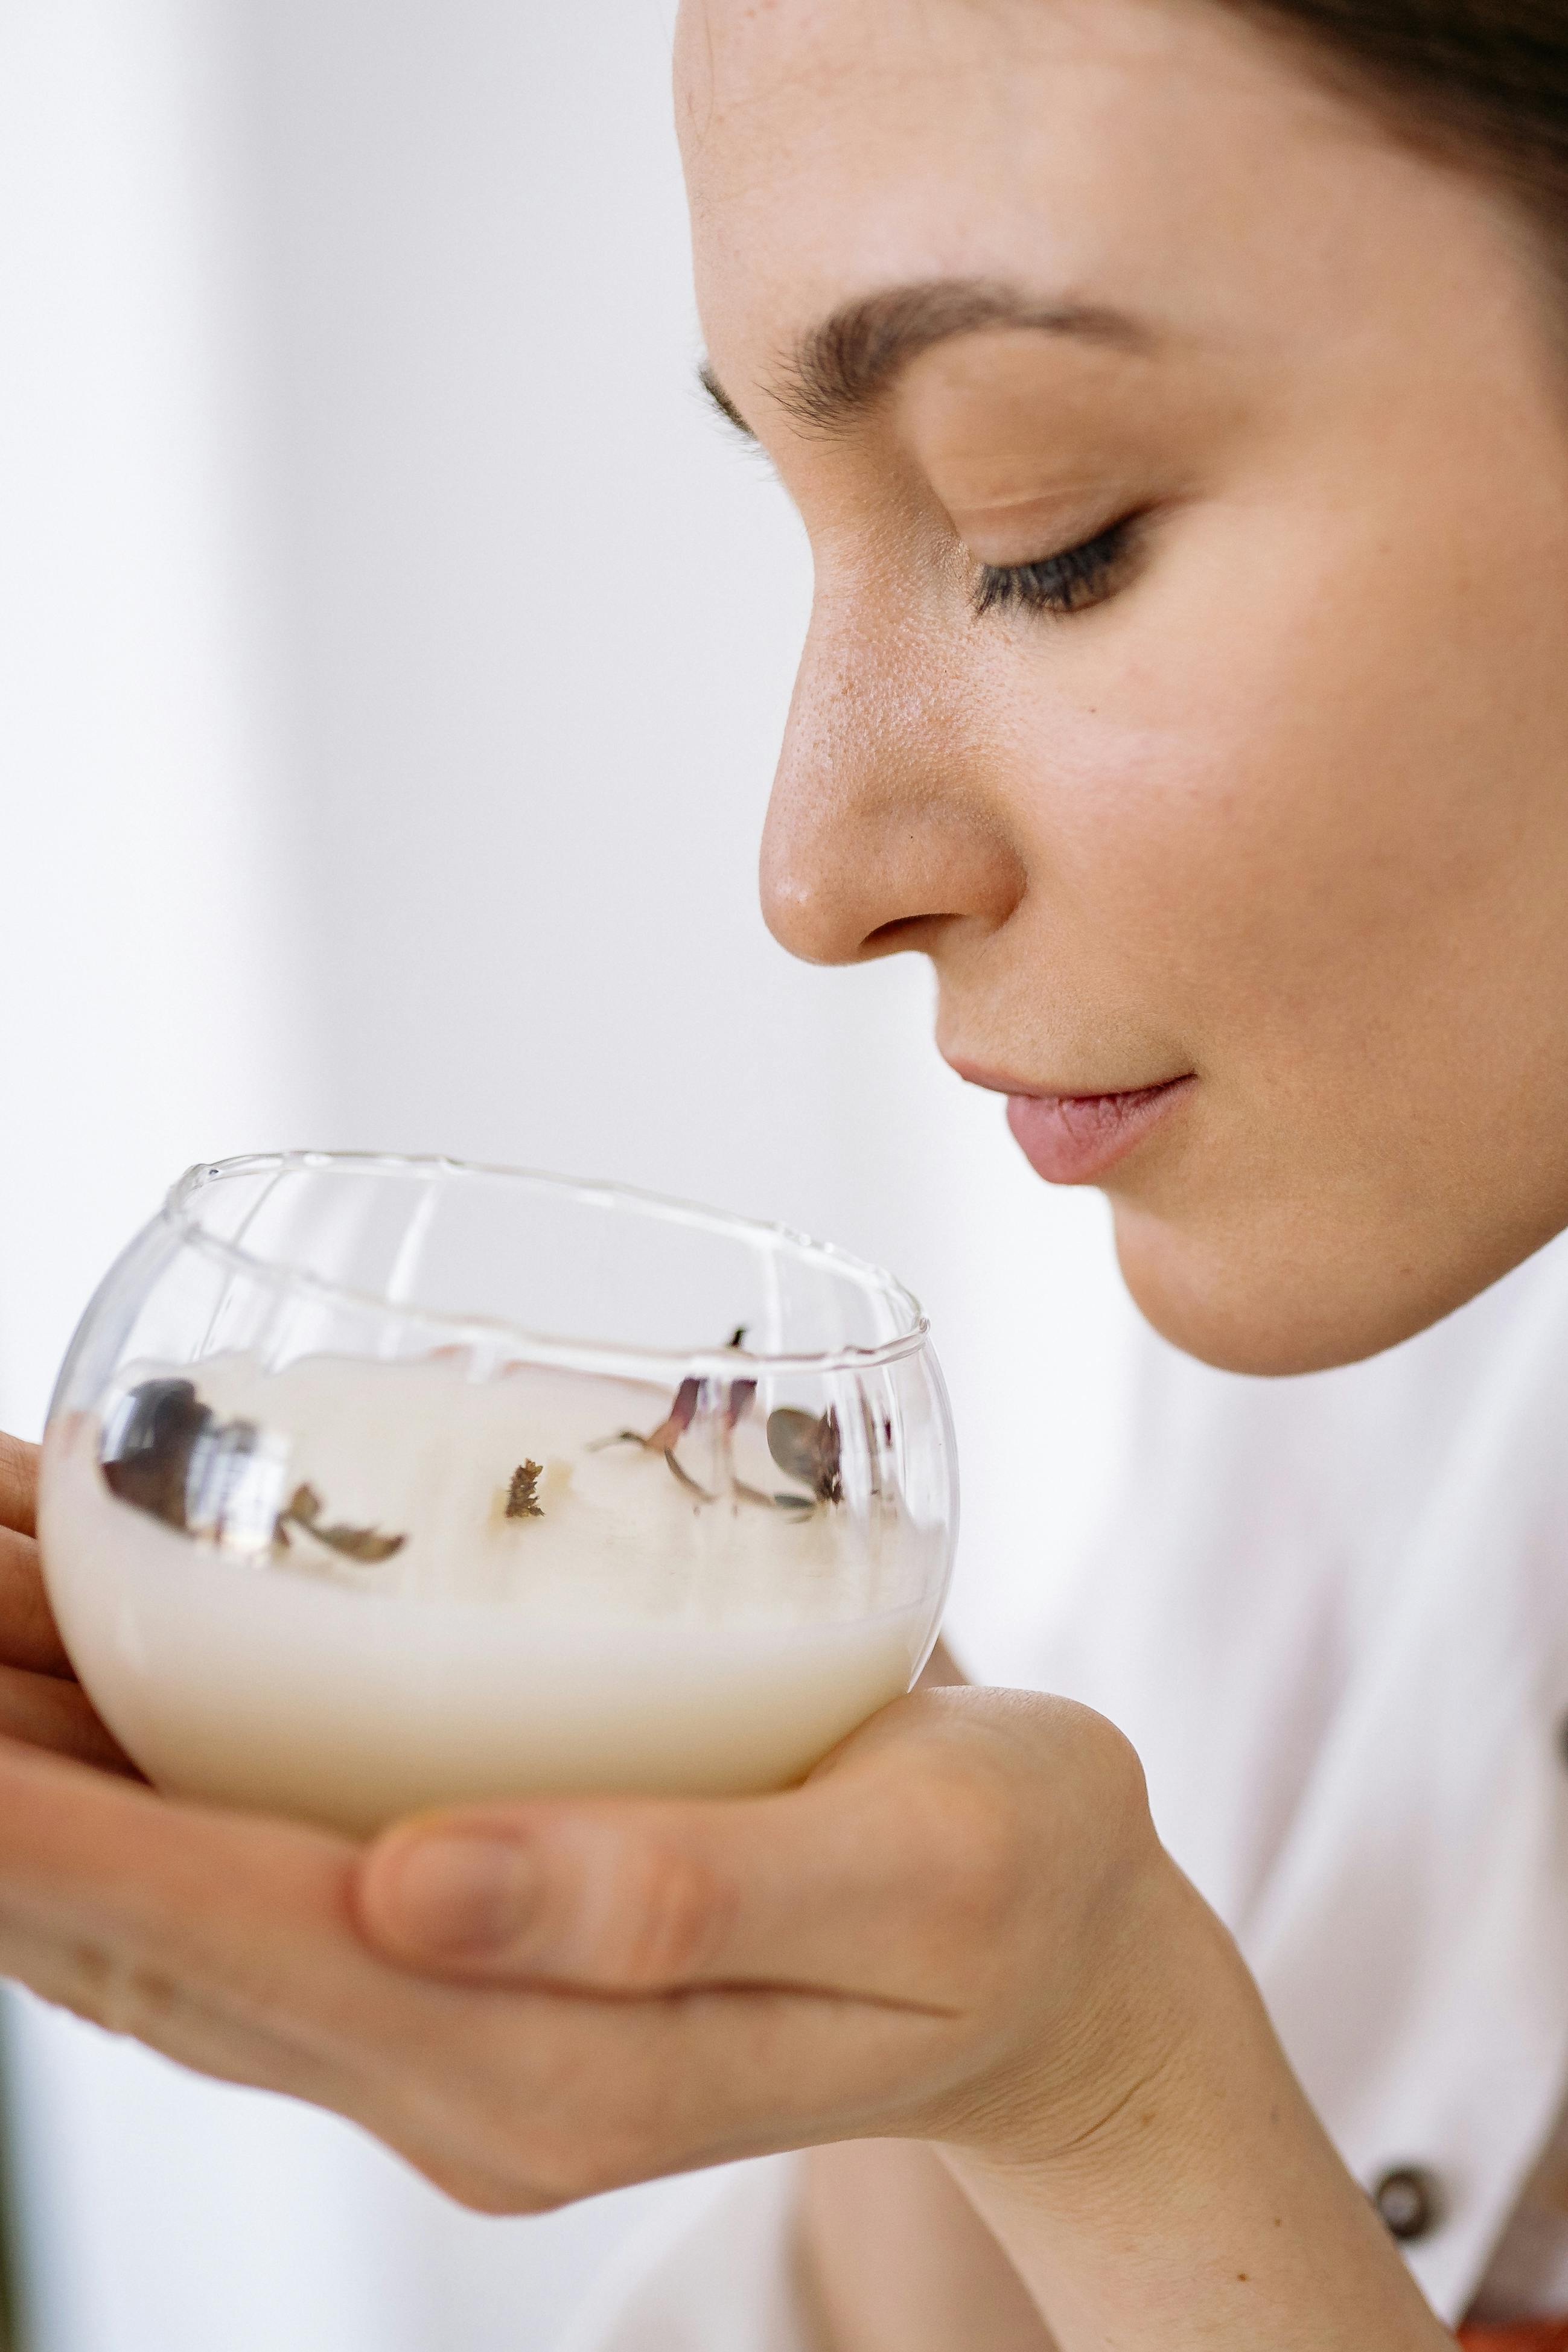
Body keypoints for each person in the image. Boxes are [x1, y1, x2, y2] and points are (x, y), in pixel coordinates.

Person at [4, 0, 1568, 2342]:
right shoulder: (1359, 1395)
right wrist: (917, 1999)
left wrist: (1108, 2088)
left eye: (1048, 536)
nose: (810, 871)